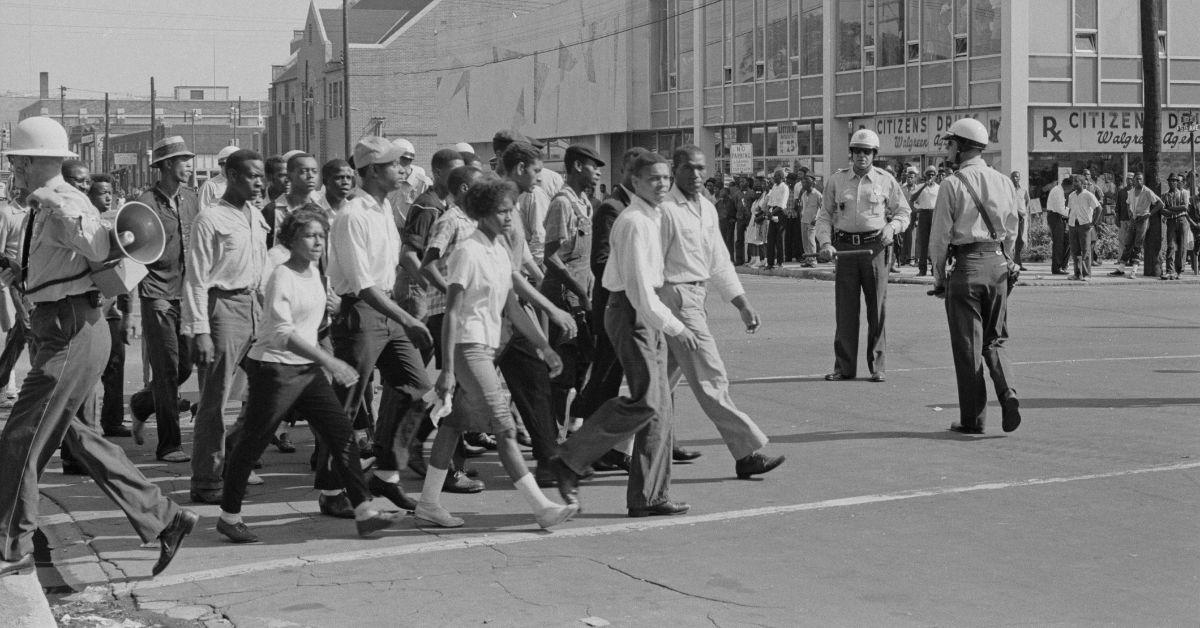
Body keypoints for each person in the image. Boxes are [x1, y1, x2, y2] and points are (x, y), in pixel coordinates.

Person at [0, 117, 197, 578]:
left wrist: (52, 199)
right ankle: (164, 518)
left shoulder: (61, 200)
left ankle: (13, 545)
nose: (17, 169)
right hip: (61, 323)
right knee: (76, 436)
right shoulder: (45, 204)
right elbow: (57, 264)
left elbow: (96, 243)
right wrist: (17, 272)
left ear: (35, 160)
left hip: (72, 327)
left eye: (19, 161)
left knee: (20, 438)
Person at [216, 208, 401, 543]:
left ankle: (364, 512)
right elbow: (283, 334)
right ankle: (229, 516)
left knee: (342, 432)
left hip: (306, 369)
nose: (318, 242)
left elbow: (315, 321)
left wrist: (336, 313)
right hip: (273, 369)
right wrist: (330, 362)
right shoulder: (281, 277)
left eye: (321, 235)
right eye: (309, 236)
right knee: (253, 442)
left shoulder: (317, 272)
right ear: (291, 239)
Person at [416, 176, 578, 529]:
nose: (509, 217)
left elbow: (513, 308)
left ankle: (428, 503)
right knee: (504, 428)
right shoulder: (467, 252)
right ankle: (541, 507)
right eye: (502, 211)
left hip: (486, 348)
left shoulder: (500, 250)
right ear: (483, 213)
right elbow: (453, 312)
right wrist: (447, 371)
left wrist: (545, 346)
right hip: (468, 348)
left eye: (511, 210)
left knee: (455, 423)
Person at [547, 151, 694, 517]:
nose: (661, 184)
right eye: (653, 179)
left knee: (658, 409)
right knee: (645, 401)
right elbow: (640, 292)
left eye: (665, 178)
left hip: (646, 312)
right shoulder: (633, 222)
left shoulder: (653, 214)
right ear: (634, 180)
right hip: (630, 312)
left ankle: (649, 495)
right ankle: (569, 459)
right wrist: (678, 327)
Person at [660, 146, 785, 479]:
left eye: (701, 168)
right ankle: (747, 452)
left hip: (696, 296)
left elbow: (718, 261)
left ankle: (595, 451)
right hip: (675, 299)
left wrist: (742, 303)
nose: (696, 175)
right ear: (675, 169)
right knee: (711, 377)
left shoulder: (706, 208)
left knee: (656, 386)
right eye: (688, 168)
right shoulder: (666, 209)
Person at [325, 136, 433, 516]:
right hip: (362, 312)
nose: (402, 169)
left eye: (403, 163)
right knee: (347, 406)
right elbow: (362, 284)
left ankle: (384, 476)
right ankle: (331, 489)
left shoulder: (384, 209)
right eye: (393, 164)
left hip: (388, 309)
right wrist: (408, 318)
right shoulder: (352, 215)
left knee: (417, 389)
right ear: (371, 171)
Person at [183, 149, 270, 504]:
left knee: (270, 390)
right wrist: (199, 329)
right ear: (231, 176)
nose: (259, 182)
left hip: (254, 306)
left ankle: (234, 451)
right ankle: (206, 479)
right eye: (252, 175)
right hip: (221, 308)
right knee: (215, 401)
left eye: (262, 176)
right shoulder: (210, 218)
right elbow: (196, 279)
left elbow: (262, 270)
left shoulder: (256, 216)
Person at [928, 118, 1021, 435]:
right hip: (998, 265)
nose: (948, 150)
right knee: (995, 339)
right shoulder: (1004, 181)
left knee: (968, 346)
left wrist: (939, 277)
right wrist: (1007, 261)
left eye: (950, 144)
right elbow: (1012, 231)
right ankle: (1007, 392)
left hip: (967, 266)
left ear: (961, 147)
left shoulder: (952, 184)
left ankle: (974, 419)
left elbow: (939, 238)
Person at [816, 129, 911, 383]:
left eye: (866, 152)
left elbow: (904, 212)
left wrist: (892, 227)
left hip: (875, 248)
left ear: (874, 154)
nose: (861, 156)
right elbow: (824, 216)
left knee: (876, 309)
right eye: (857, 151)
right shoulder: (837, 181)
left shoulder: (885, 180)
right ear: (851, 154)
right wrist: (825, 243)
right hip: (845, 248)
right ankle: (844, 367)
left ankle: (877, 366)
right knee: (845, 310)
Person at [127, 136, 197, 462]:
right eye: (183, 161)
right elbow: (132, 253)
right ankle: (169, 445)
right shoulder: (144, 203)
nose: (188, 166)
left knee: (185, 366)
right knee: (167, 369)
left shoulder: (192, 200)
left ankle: (142, 404)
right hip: (156, 294)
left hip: (186, 293)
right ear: (167, 165)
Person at [542, 145, 599, 433]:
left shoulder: (586, 202)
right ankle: (554, 435)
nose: (598, 171)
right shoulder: (562, 203)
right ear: (577, 167)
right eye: (593, 166)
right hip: (564, 296)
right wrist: (578, 290)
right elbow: (549, 256)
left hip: (582, 295)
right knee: (563, 370)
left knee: (583, 364)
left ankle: (571, 428)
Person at [88, 174, 134, 438]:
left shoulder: (111, 226)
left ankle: (113, 420)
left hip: (111, 309)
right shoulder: (87, 228)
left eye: (110, 192)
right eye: (101, 193)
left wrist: (128, 312)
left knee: (116, 364)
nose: (108, 197)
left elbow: (126, 273)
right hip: (90, 309)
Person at [1110, 172, 1160, 276]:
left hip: (1142, 219)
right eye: (1137, 179)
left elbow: (1160, 204)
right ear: (1133, 181)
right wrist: (1129, 212)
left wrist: (1149, 214)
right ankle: (1121, 269)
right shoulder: (1131, 192)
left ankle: (1134, 270)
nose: (1138, 181)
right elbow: (1128, 203)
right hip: (1133, 219)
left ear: (1143, 180)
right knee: (1128, 243)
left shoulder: (1147, 191)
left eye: (1140, 179)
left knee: (1138, 244)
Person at [1062, 177, 1101, 281]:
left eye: (1077, 181)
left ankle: (1086, 274)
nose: (1074, 184)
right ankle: (1077, 274)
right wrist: (1068, 223)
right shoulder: (1071, 195)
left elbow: (1099, 208)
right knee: (1075, 251)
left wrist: (1092, 223)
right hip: (1072, 226)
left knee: (1085, 251)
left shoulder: (1088, 195)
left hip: (1084, 226)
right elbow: (1070, 210)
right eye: (1074, 182)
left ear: (1083, 183)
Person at [909, 165, 941, 276]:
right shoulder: (920, 186)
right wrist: (924, 186)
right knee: (923, 243)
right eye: (928, 174)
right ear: (925, 175)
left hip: (935, 214)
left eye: (932, 174)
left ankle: (934, 269)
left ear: (935, 176)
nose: (930, 176)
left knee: (934, 243)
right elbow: (912, 199)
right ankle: (922, 269)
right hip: (923, 214)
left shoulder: (939, 188)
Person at [1159, 173, 1190, 280]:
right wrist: (1171, 211)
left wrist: (1170, 209)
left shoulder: (1183, 193)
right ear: (1168, 182)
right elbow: (1162, 210)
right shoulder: (1165, 195)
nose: (1172, 182)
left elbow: (1184, 207)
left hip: (1182, 221)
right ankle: (1169, 270)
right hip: (1171, 221)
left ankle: (1180, 271)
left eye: (1174, 181)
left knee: (1182, 246)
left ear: (1177, 182)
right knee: (1170, 246)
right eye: (1170, 181)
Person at [763, 169, 788, 269]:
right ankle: (770, 263)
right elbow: (771, 200)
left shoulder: (784, 187)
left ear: (781, 177)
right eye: (774, 176)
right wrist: (768, 210)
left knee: (779, 239)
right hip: (772, 212)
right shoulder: (774, 186)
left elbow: (781, 204)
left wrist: (771, 213)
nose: (774, 178)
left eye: (776, 176)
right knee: (770, 238)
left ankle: (780, 261)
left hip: (780, 213)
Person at [1044, 177, 1069, 274]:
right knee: (1058, 243)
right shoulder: (1058, 191)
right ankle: (1056, 268)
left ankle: (1062, 265)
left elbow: (1062, 208)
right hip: (1055, 216)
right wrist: (1071, 213)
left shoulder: (1060, 190)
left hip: (1058, 217)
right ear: (1068, 185)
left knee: (1066, 241)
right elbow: (1060, 209)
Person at [797, 174, 822, 266]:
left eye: (806, 182)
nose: (803, 184)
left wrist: (816, 218)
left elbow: (822, 208)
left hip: (812, 221)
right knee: (805, 241)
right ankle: (808, 259)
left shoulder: (817, 194)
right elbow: (802, 207)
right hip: (804, 220)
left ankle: (813, 260)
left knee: (811, 240)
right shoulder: (803, 194)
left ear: (811, 183)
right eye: (803, 182)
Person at [1010, 171, 1031, 271]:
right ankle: (1010, 263)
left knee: (1020, 240)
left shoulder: (1023, 190)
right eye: (1013, 177)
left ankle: (1018, 262)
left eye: (1017, 177)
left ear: (1019, 178)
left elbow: (1027, 201)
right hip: (1011, 217)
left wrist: (1024, 211)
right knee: (1010, 239)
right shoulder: (1009, 189)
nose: (1015, 178)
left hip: (1021, 217)